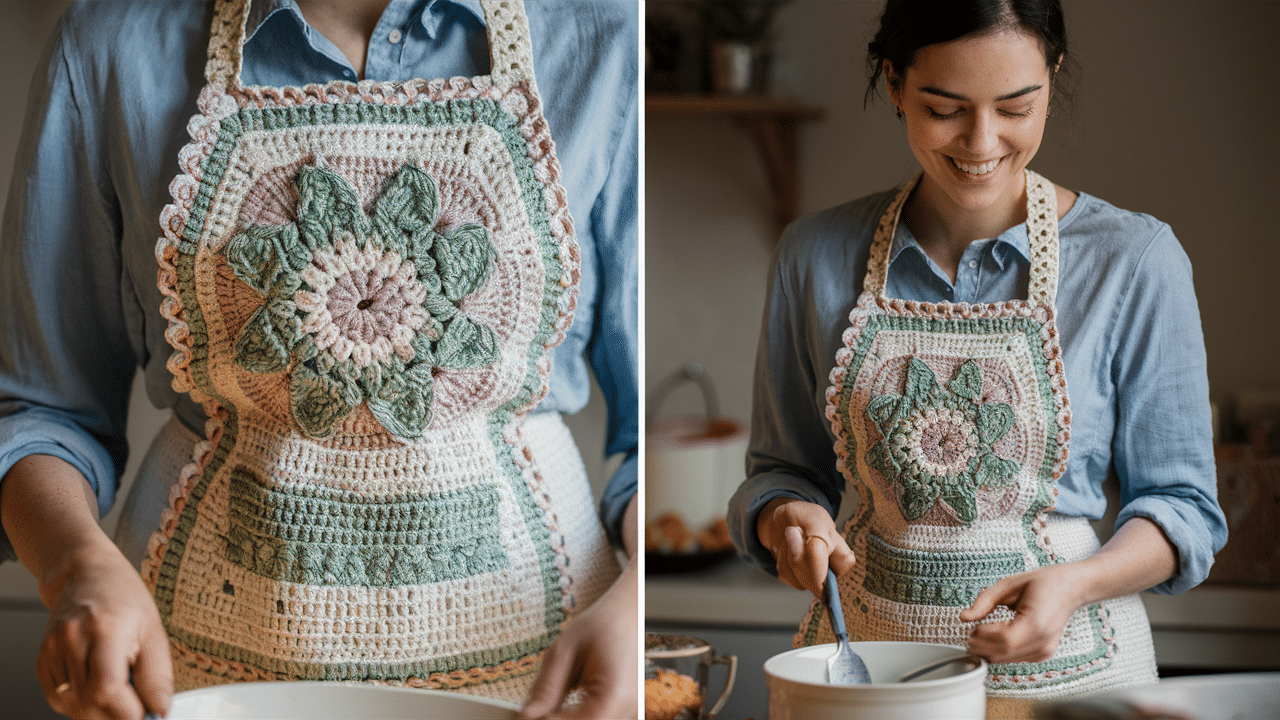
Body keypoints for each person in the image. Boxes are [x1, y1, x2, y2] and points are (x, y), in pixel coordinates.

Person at [0, 1, 638, 719]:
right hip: (199, 681)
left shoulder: (605, 38)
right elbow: (43, 412)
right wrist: (75, 567)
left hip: (544, 680)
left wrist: (640, 597)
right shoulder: (110, 45)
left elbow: (650, 449)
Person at [728, 0, 1226, 712]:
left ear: (1052, 79)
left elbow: (1183, 509)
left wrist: (1075, 584)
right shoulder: (814, 255)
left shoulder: (1135, 261)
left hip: (1077, 683)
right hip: (874, 682)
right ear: (893, 83)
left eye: (1016, 107)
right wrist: (788, 520)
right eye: (945, 108)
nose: (981, 140)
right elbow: (781, 473)